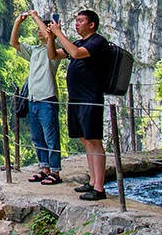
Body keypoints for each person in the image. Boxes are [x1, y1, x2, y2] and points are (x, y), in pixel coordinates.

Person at [43, 10, 113, 201]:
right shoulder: (79, 42)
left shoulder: (97, 41)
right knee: (85, 139)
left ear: (92, 24)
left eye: (81, 21)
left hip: (90, 98)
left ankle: (99, 188)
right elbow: (52, 55)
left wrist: (58, 33)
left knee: (94, 140)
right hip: (76, 98)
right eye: (76, 21)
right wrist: (51, 37)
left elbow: (75, 53)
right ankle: (92, 182)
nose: (77, 24)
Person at [11, 11, 61, 183]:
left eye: (43, 29)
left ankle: (55, 171)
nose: (39, 31)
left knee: (51, 136)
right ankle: (44, 168)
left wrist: (35, 17)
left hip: (47, 98)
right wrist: (18, 22)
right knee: (37, 137)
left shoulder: (53, 51)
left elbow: (49, 38)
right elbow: (14, 43)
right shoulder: (34, 51)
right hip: (33, 99)